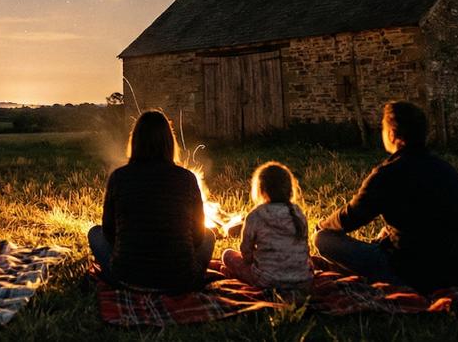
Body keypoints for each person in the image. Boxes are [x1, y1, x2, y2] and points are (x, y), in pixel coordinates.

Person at [314, 100, 458, 292]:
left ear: (392, 134)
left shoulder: (388, 173)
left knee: (322, 238)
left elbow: (350, 217)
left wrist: (322, 225)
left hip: (412, 274)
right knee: (387, 235)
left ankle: (390, 274)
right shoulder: (447, 170)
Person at [87, 110, 214, 292]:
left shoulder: (119, 177)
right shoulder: (186, 178)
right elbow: (198, 235)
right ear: (170, 142)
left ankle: (129, 273)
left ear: (135, 141)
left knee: (95, 233)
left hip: (127, 278)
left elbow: (108, 231)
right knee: (210, 235)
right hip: (181, 280)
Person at [219, 161, 312, 289]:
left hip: (267, 281)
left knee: (227, 255)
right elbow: (305, 247)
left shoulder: (256, 215)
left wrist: (255, 261)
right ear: (290, 188)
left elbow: (246, 251)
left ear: (261, 189)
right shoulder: (297, 213)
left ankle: (234, 274)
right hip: (303, 280)